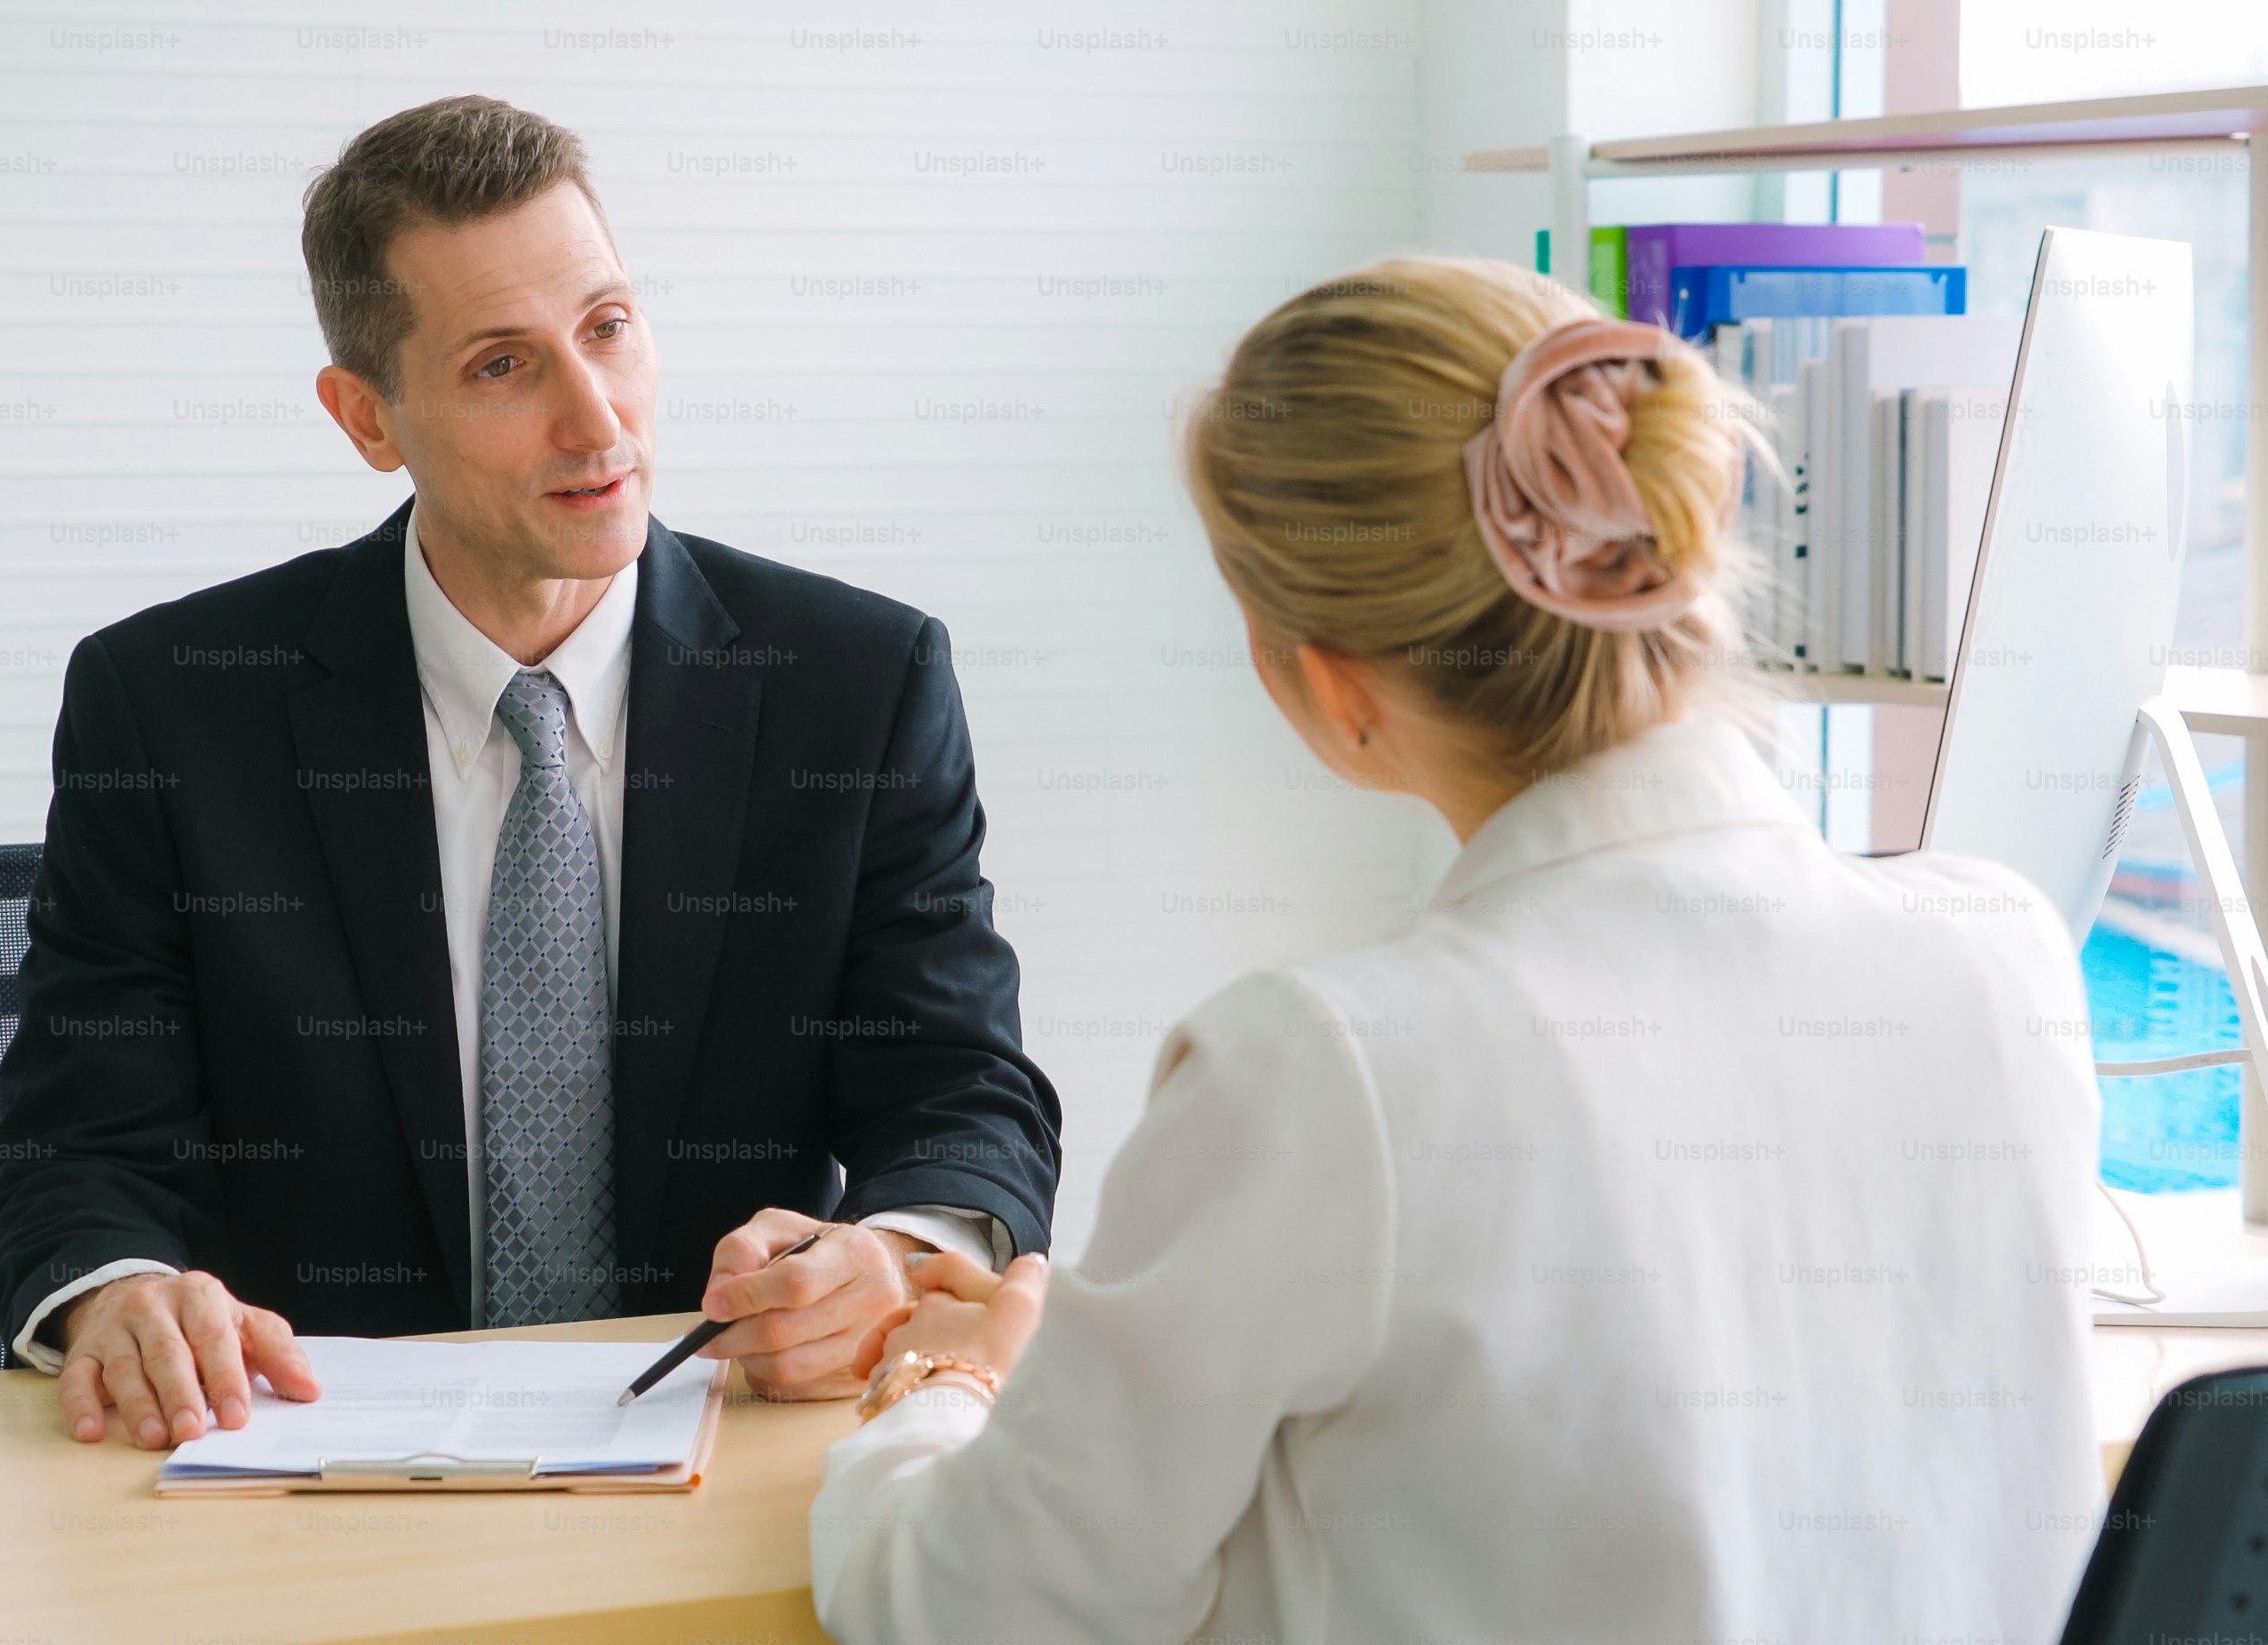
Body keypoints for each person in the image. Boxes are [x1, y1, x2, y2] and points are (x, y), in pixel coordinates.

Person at [810, 258, 2104, 1641]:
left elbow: (976, 1609)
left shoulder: (1324, 1068)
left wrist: (950, 1393)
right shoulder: (2002, 950)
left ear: (1321, 678)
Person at [0, 95, 1060, 1450]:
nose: (596, 418)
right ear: (368, 416)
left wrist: (888, 1256)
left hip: (730, 1439)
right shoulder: (172, 705)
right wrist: (120, 1296)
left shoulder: (854, 683)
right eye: (502, 366)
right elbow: (76, 1148)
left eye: (607, 328)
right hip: (305, 1465)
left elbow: (958, 1089)